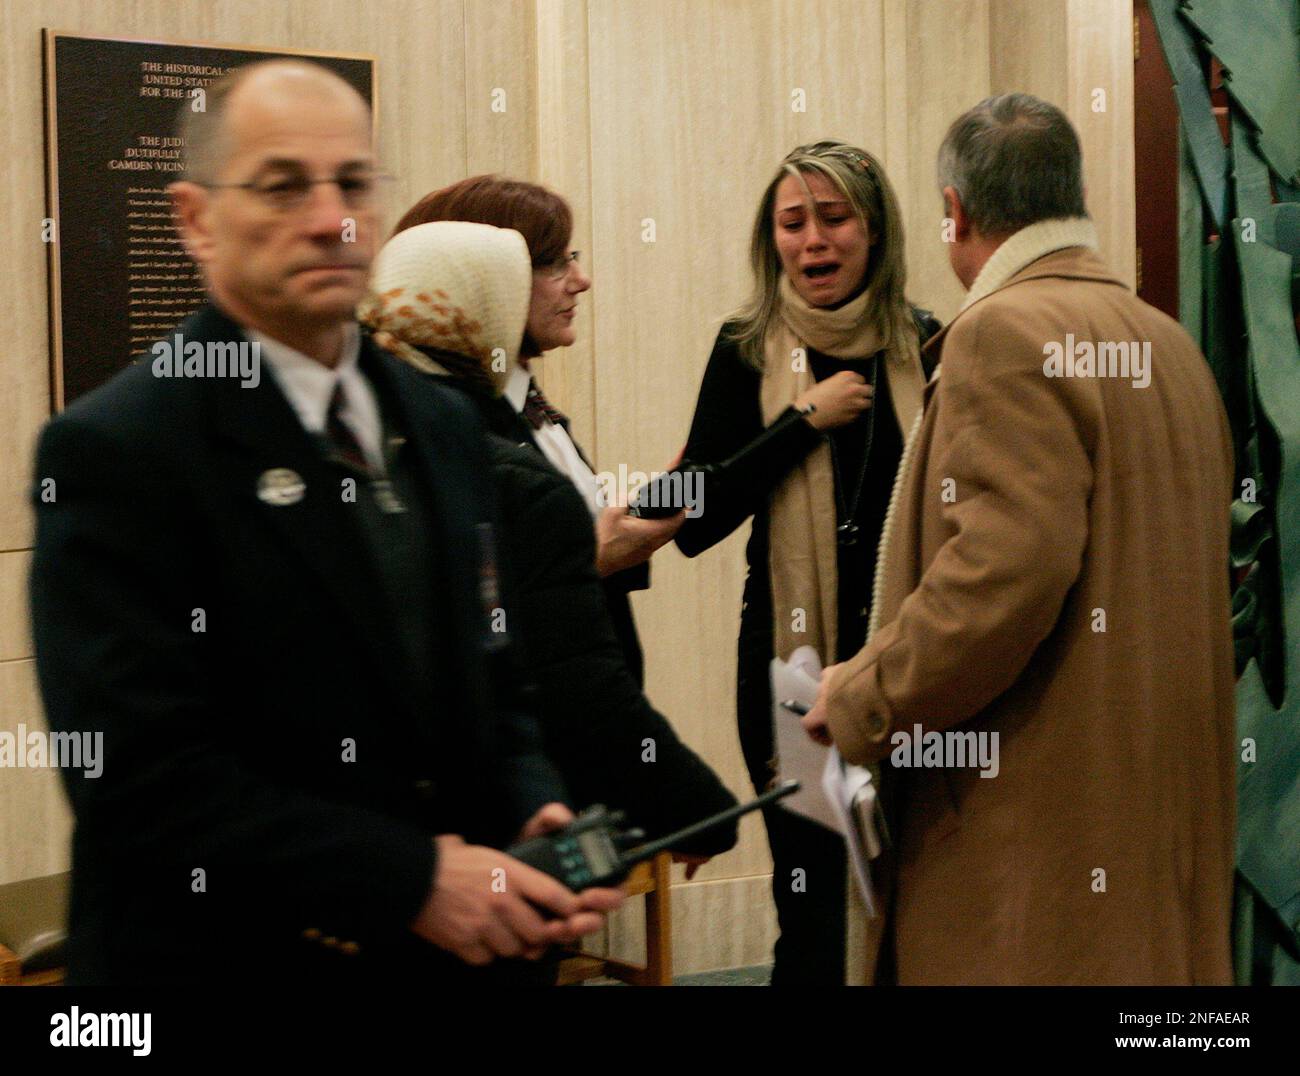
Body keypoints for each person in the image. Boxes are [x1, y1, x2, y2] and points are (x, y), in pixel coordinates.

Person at [28, 59, 621, 985]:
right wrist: (415, 880)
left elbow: (495, 677)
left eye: (351, 184)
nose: (328, 219)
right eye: (281, 186)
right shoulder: (117, 451)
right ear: (194, 218)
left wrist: (532, 808)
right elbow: (139, 781)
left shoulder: (441, 426)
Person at [804, 93, 1236, 985]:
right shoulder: (1168, 344)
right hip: (1157, 826)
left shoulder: (1002, 332)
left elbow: (1001, 578)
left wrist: (862, 698)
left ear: (956, 213)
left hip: (1034, 842)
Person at [358, 219, 739, 866]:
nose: (579, 280)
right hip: (487, 849)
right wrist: (701, 810)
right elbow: (582, 694)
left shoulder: (345, 448)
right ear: (487, 310)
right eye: (548, 266)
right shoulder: (508, 476)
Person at [675, 141, 940, 985]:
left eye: (835, 219)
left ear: (876, 232)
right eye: (794, 223)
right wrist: (800, 424)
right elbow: (692, 514)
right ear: (772, 238)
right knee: (815, 906)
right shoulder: (746, 346)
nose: (813, 241)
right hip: (792, 672)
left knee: (915, 896)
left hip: (913, 661)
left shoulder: (929, 344)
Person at [391, 177, 680, 687]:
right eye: (553, 262)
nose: (580, 279)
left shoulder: (531, 404)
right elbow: (461, 620)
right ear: (484, 279)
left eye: (573, 255)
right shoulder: (458, 430)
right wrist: (591, 560)